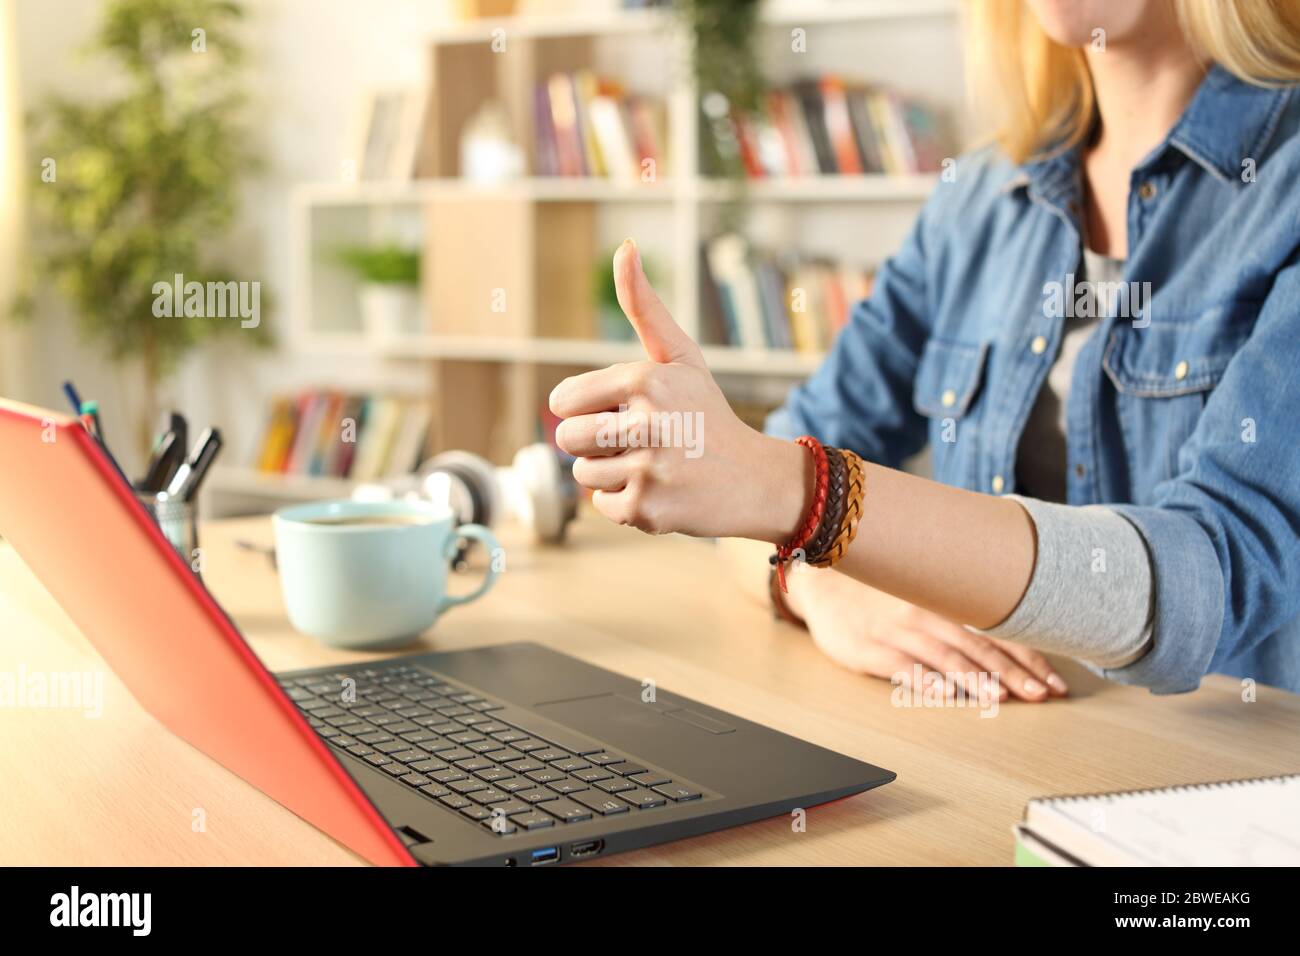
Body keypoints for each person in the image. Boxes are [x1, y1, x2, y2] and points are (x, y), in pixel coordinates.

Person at [549, 0, 1300, 698]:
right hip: (996, 753)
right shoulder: (976, 200)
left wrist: (804, 497)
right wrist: (815, 585)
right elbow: (761, 467)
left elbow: (1216, 573)